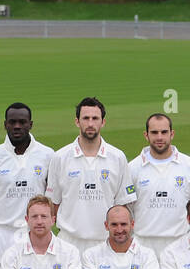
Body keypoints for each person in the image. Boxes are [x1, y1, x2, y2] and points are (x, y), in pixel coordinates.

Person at [47, 97, 135, 256]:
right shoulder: (60, 157)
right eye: (85, 118)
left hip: (105, 243)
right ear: (77, 121)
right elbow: (53, 204)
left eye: (95, 118)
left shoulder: (117, 157)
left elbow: (122, 205)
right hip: (68, 242)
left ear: (103, 122)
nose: (90, 123)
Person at [0, 102, 54, 255]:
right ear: (5, 124)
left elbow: (52, 198)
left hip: (36, 233)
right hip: (2, 236)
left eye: (22, 122)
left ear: (31, 124)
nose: (17, 126)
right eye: (12, 122)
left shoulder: (48, 156)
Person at [127, 113, 190, 259]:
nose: (160, 137)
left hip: (180, 245)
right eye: (154, 133)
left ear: (172, 134)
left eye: (164, 132)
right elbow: (128, 210)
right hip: (143, 246)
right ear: (146, 135)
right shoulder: (133, 168)